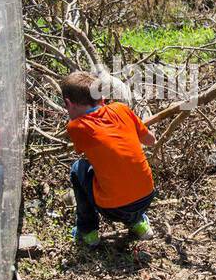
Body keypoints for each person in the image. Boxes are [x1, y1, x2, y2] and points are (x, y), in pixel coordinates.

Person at [61, 71, 156, 247]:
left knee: (78, 168)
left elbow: (81, 152)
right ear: (102, 97)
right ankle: (138, 223)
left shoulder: (76, 127)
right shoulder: (121, 109)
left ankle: (87, 231)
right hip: (147, 197)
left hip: (114, 209)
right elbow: (150, 140)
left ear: (68, 103)